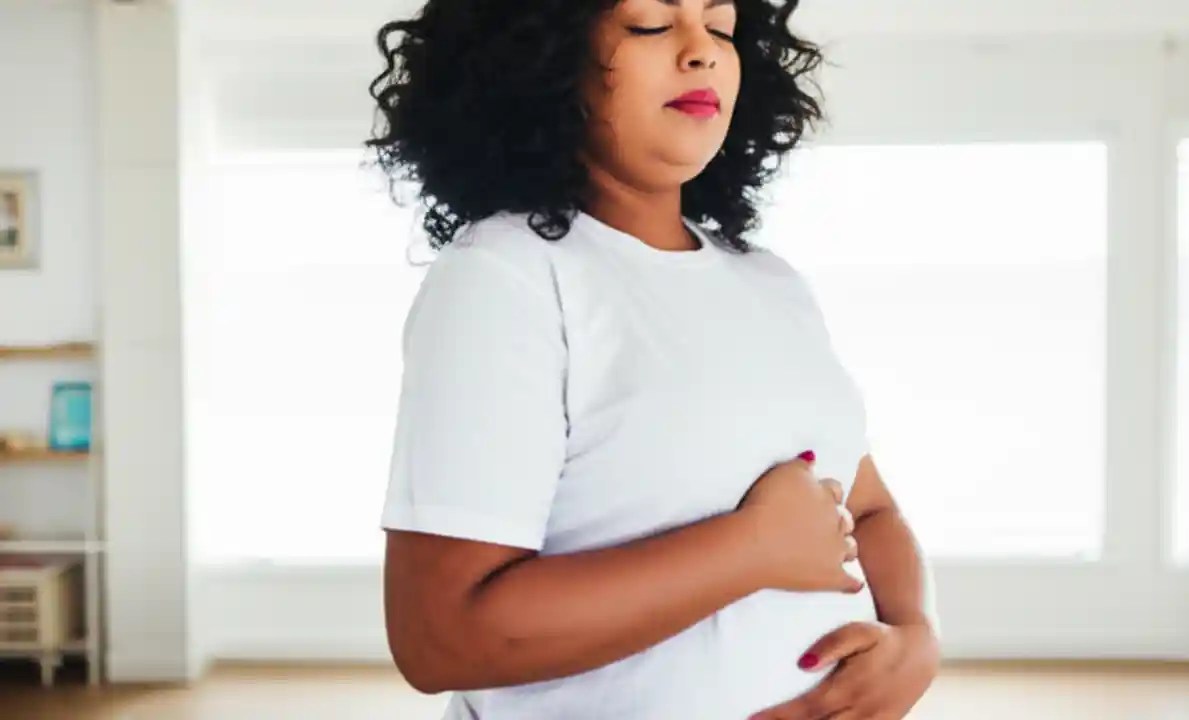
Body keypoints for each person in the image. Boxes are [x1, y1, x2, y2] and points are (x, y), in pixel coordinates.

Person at [368, 1, 940, 718]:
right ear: (545, 60)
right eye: (649, 24)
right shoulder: (507, 275)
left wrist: (917, 637)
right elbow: (440, 637)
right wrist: (749, 548)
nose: (701, 51)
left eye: (721, 27)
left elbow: (870, 508)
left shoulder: (769, 281)